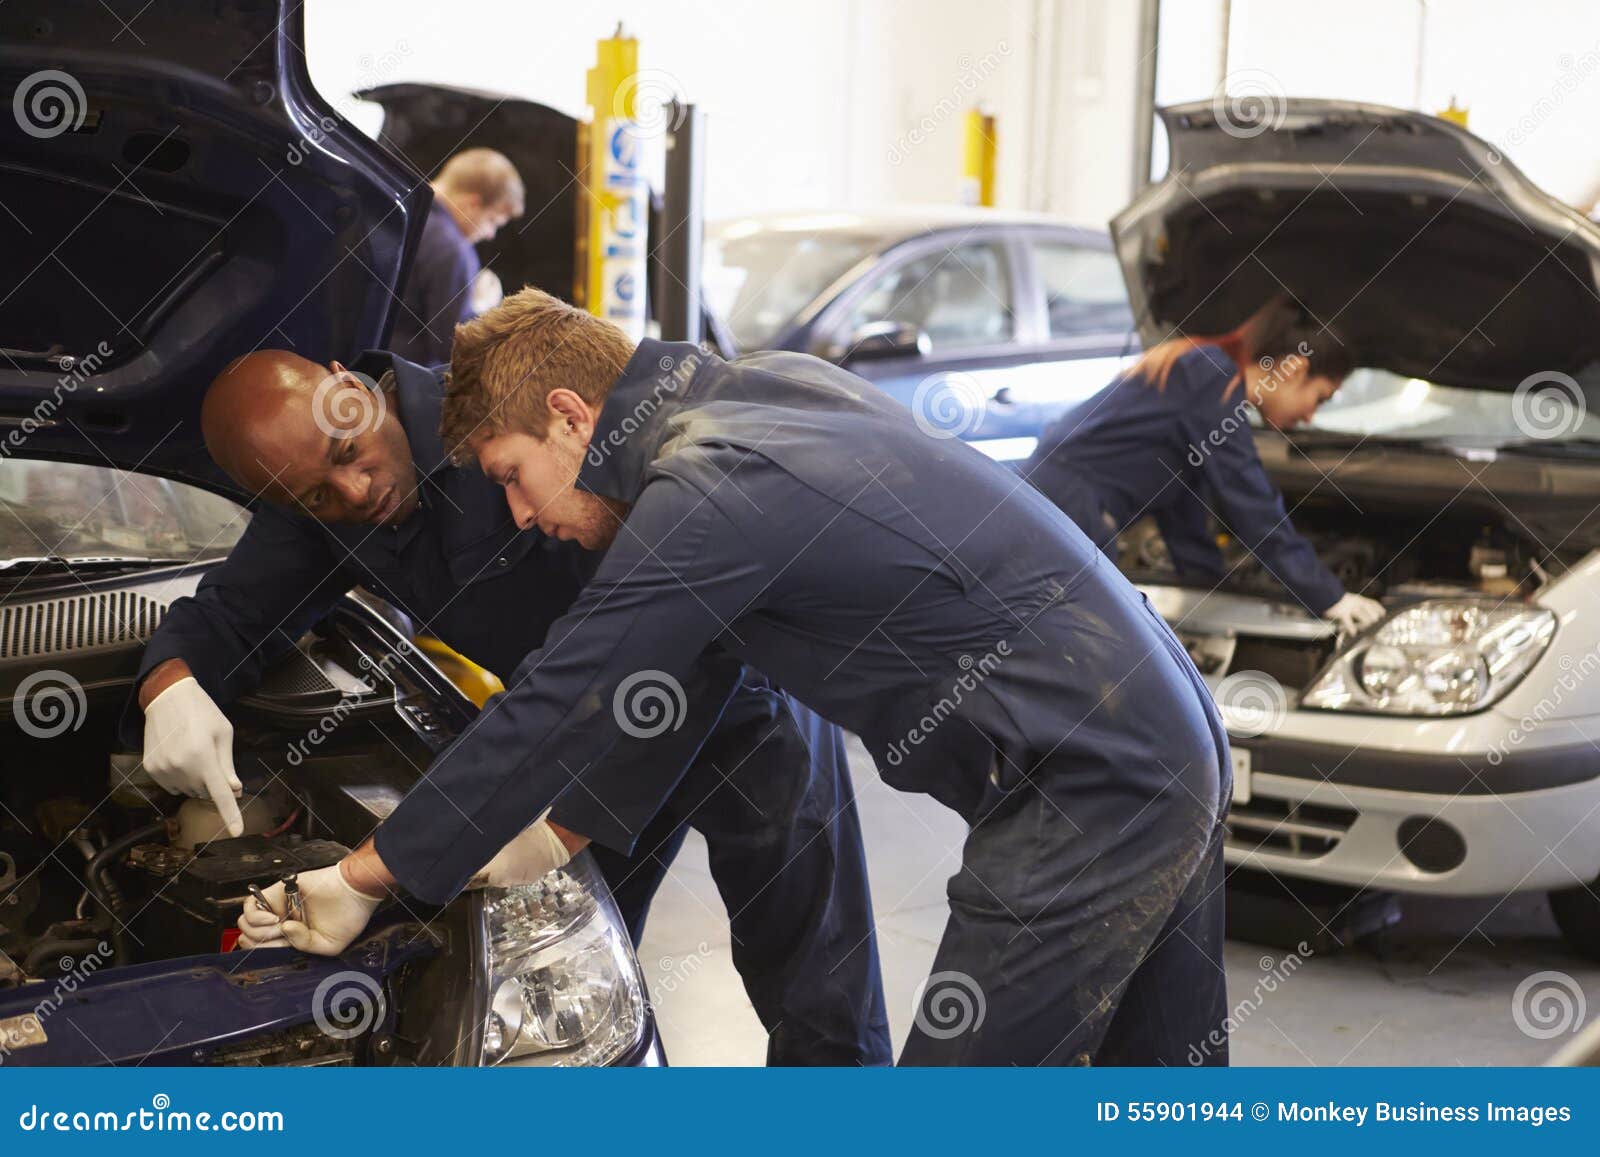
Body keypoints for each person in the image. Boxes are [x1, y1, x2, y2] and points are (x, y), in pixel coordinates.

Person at [239, 288, 1232, 1066]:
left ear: (571, 415)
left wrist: (365, 872)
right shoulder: (762, 392)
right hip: (1159, 735)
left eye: (507, 473)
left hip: (1092, 786)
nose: (518, 513)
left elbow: (559, 695)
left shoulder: (708, 491)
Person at [131, 347, 890, 1065]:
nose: (356, 491)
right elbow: (232, 613)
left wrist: (556, 825)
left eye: (345, 453)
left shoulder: (499, 415)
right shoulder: (315, 505)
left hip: (737, 705)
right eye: (318, 495)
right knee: (557, 989)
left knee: (816, 984)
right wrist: (170, 683)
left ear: (347, 384)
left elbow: (691, 612)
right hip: (576, 741)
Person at [1024, 300, 1385, 635]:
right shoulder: (1211, 376)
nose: (1310, 416)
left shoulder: (1203, 378)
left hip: (1056, 507)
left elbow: (1182, 511)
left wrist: (1214, 590)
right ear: (1295, 369)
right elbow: (1248, 497)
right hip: (1064, 511)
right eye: (1318, 398)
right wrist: (1327, 595)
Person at [389, 148, 523, 366]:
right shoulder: (453, 250)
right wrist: (482, 306)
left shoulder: (393, 210)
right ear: (472, 203)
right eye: (492, 221)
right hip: (393, 386)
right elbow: (454, 348)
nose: (490, 235)